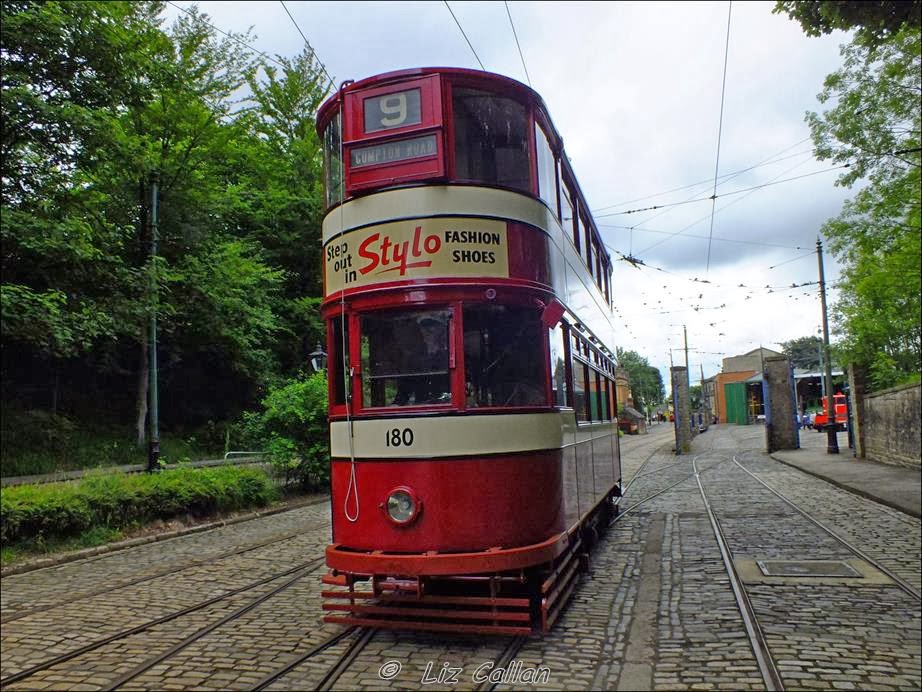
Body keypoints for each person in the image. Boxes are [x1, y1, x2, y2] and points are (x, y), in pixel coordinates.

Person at [393, 314, 450, 405]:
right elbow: (405, 389)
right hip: (422, 410)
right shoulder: (413, 359)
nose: (427, 330)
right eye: (424, 326)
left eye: (431, 325)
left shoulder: (449, 356)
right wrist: (396, 405)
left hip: (446, 408)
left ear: (440, 329)